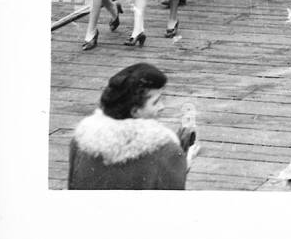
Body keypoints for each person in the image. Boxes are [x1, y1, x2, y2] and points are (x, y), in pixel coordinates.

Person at [67, 63, 196, 189]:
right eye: (156, 102)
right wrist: (180, 166)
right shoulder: (167, 151)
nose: (162, 106)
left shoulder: (80, 141)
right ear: (135, 111)